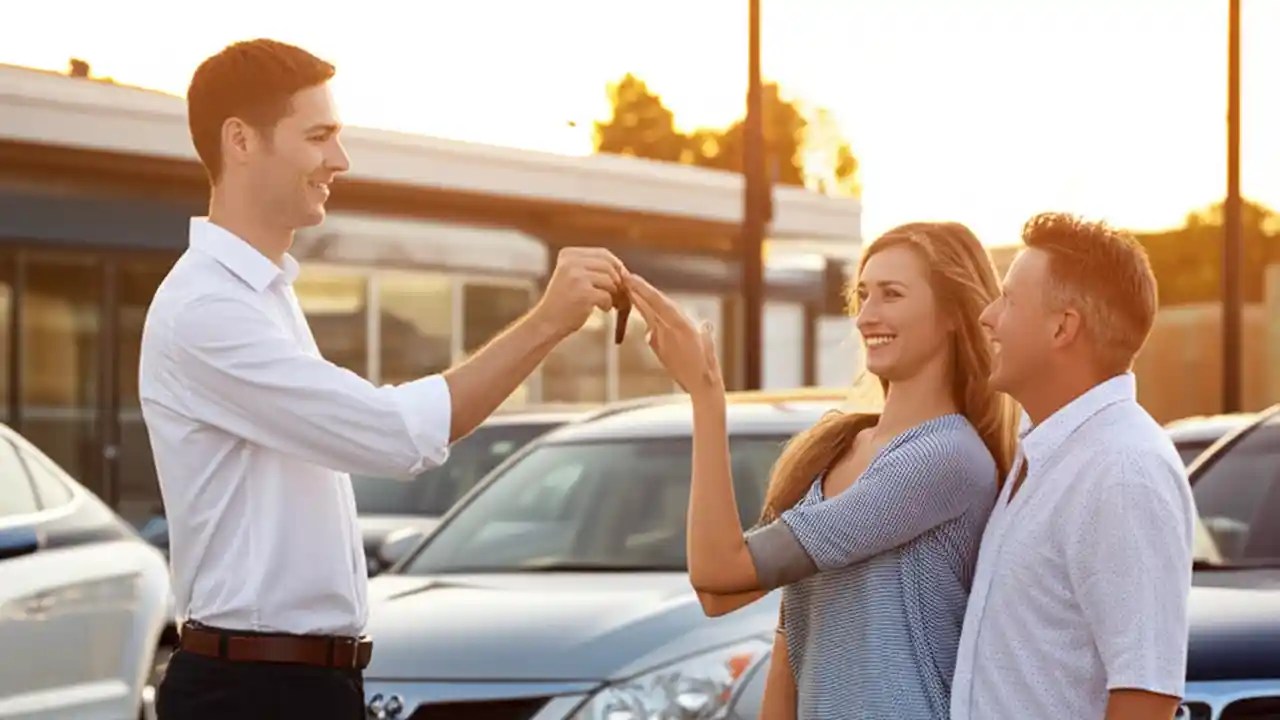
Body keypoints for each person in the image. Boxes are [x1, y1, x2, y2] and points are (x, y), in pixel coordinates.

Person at [140, 39, 626, 720]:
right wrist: (547, 322)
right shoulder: (208, 311)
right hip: (253, 693)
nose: (339, 160)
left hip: (293, 686)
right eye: (319, 136)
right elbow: (396, 435)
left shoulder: (261, 294)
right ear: (240, 141)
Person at [626, 221, 1019, 719]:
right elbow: (721, 598)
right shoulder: (836, 449)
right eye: (863, 295)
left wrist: (707, 395)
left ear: (950, 315)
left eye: (891, 295)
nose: (866, 316)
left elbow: (721, 568)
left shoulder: (946, 458)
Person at [949, 212, 1195, 720]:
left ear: (1063, 327)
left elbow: (1146, 695)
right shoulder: (1049, 452)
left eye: (1010, 300)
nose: (987, 317)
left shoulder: (1122, 470)